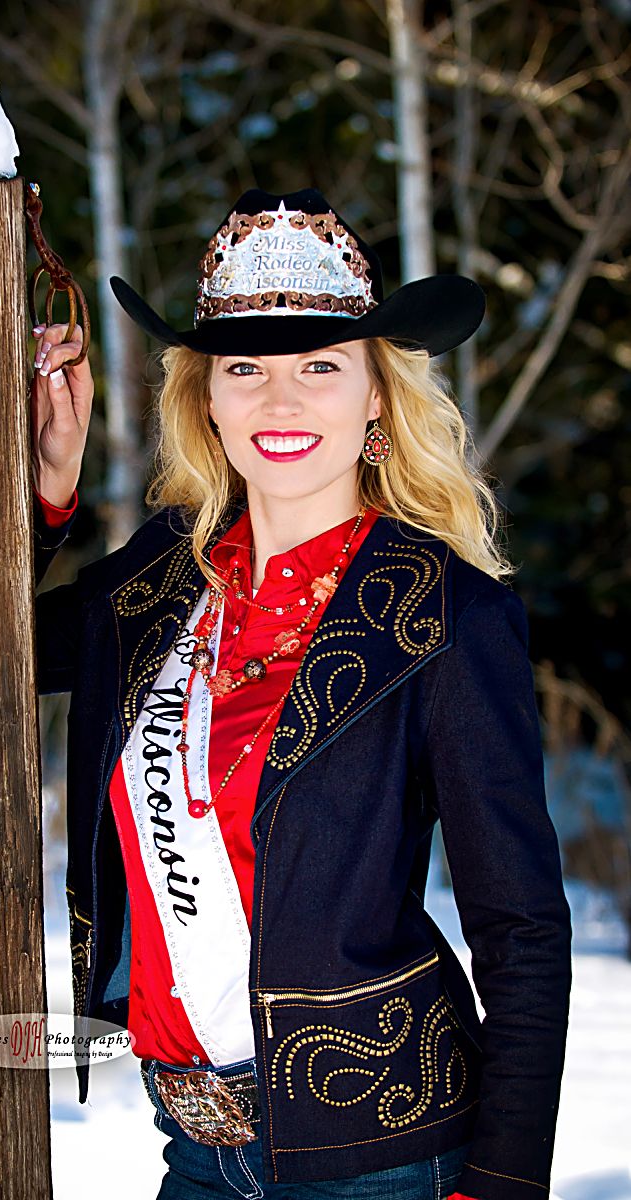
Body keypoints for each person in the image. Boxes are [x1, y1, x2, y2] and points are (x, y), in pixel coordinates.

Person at [29, 188, 572, 1200]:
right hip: (192, 1149)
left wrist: (501, 1180)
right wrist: (47, 492)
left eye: (319, 366)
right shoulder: (161, 579)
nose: (279, 403)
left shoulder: (443, 614)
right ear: (206, 398)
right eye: (245, 368)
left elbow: (522, 929)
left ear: (375, 395)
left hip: (384, 1158)